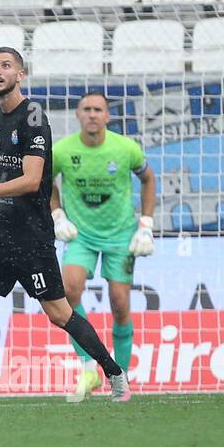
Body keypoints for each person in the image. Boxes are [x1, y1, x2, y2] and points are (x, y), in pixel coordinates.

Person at [0, 48, 130, 403]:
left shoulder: (34, 116)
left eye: (5, 66)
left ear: (20, 75)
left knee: (59, 313)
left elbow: (30, 179)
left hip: (31, 234)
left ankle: (114, 373)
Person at [51, 92, 157, 401]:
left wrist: (146, 224)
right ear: (78, 114)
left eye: (98, 110)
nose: (92, 115)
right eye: (87, 109)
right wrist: (57, 215)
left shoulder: (125, 148)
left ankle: (118, 377)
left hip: (121, 236)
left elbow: (148, 179)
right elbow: (46, 183)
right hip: (81, 235)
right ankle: (88, 366)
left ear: (108, 116)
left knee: (120, 303)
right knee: (68, 292)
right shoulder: (62, 150)